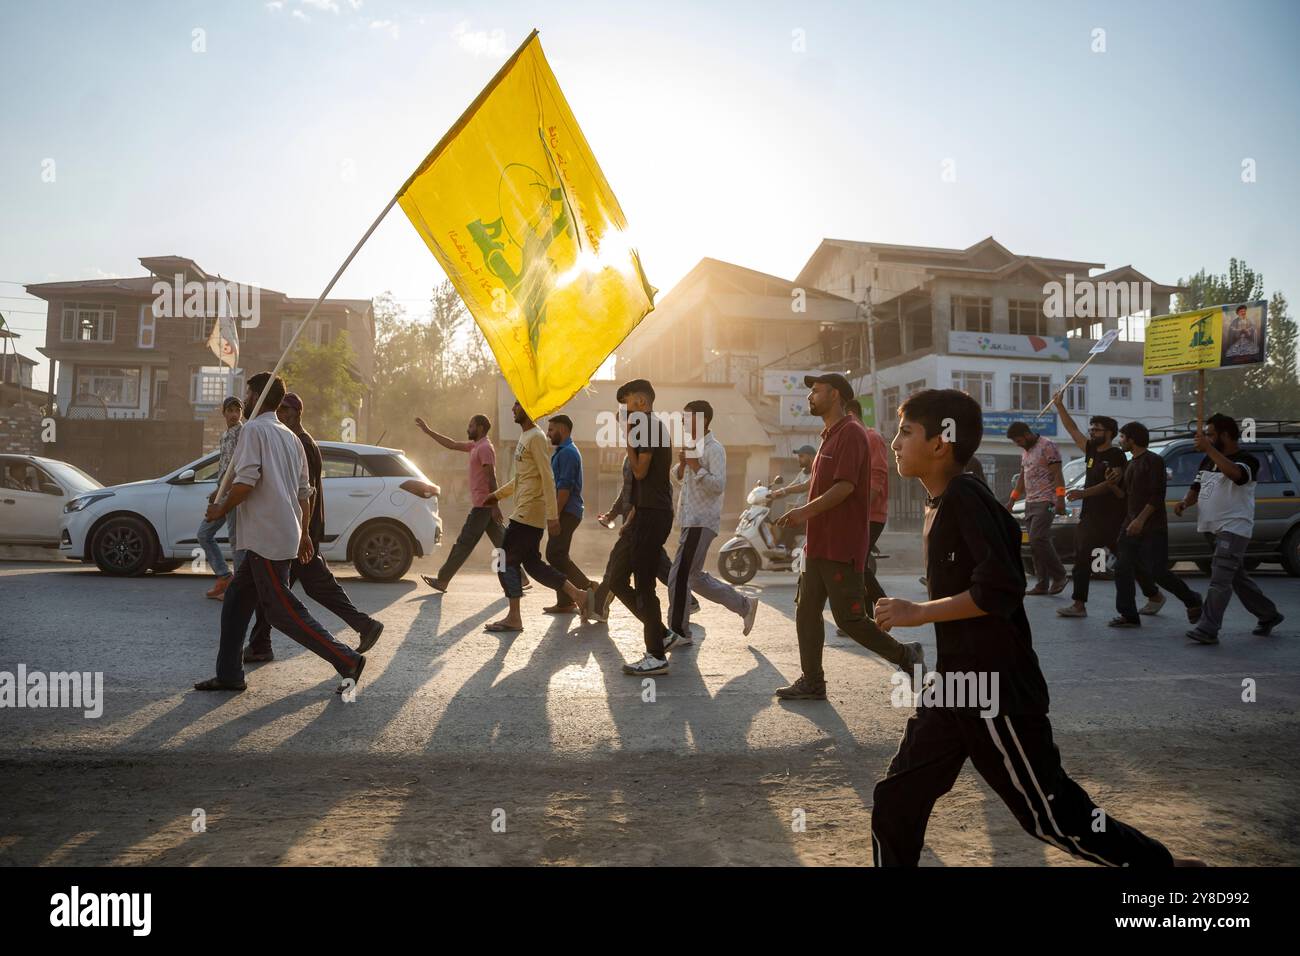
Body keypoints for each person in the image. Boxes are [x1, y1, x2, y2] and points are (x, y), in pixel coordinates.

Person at [871, 387, 1201, 867]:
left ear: (941, 440)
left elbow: (1000, 589)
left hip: (995, 688)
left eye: (904, 432)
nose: (894, 442)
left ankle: (1158, 869)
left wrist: (917, 612)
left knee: (1049, 813)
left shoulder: (964, 496)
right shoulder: (943, 500)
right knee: (896, 801)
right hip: (954, 687)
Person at [193, 372, 365, 694]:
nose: (243, 401)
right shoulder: (290, 437)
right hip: (282, 534)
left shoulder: (254, 431)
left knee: (282, 612)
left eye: (247, 394)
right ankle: (230, 674)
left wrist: (221, 508)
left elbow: (246, 481)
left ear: (257, 396)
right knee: (234, 603)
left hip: (266, 538)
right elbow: (305, 493)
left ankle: (347, 660)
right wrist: (303, 534)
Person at [773, 373, 925, 700]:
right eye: (810, 392)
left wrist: (802, 513)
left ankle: (905, 655)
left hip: (841, 544)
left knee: (850, 619)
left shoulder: (852, 434)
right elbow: (821, 485)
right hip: (818, 544)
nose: (810, 397)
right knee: (806, 610)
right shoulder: (829, 434)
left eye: (816, 391)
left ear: (836, 395)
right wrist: (793, 499)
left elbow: (845, 488)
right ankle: (812, 681)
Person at [242, 392, 385, 663]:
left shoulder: (301, 443)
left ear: (297, 413)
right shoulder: (297, 440)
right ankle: (261, 642)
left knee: (282, 592)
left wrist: (304, 532)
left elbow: (305, 491)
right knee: (288, 589)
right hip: (299, 529)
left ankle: (263, 644)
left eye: (285, 409)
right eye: (279, 408)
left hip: (299, 529)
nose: (280, 413)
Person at [482, 399, 593, 632]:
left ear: (529, 408)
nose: (513, 409)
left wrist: (552, 516)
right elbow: (522, 478)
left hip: (528, 512)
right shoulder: (525, 437)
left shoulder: (537, 438)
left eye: (517, 405)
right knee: (533, 564)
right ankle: (579, 595)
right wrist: (497, 495)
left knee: (503, 559)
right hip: (524, 510)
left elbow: (548, 478)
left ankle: (514, 617)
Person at [1051, 393, 1164, 619]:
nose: (1092, 432)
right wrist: (1060, 405)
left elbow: (1108, 485)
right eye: (1091, 429)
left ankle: (1154, 595)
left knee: (1128, 562)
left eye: (1097, 429)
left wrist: (1083, 492)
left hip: (1114, 517)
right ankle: (1079, 604)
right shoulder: (1091, 451)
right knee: (1082, 557)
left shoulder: (1117, 455)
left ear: (1110, 433)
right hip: (1090, 516)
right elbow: (1073, 430)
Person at [1176, 413, 1283, 644]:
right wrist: (1185, 502)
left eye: (1210, 434)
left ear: (1225, 435)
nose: (1206, 438)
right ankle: (1268, 614)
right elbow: (1196, 487)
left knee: (1219, 578)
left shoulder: (1248, 459)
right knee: (1236, 578)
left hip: (1233, 527)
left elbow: (1237, 475)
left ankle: (1208, 628)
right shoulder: (1207, 460)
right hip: (1211, 528)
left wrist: (1208, 449)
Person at [665, 399, 759, 644]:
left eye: (688, 417)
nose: (684, 422)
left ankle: (679, 631)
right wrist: (684, 465)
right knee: (694, 577)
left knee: (679, 576)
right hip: (689, 520)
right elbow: (678, 480)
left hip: (700, 520)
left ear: (703, 420)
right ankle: (745, 606)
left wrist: (696, 467)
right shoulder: (692, 446)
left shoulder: (714, 449)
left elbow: (718, 486)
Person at [608, 379, 677, 676]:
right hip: (643, 515)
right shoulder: (646, 426)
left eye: (628, 404)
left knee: (645, 584)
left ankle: (656, 655)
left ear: (642, 403)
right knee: (616, 579)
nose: (625, 410)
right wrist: (630, 521)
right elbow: (641, 485)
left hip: (654, 515)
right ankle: (660, 633)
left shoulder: (646, 426)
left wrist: (626, 437)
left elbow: (639, 470)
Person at [416, 414, 527, 593]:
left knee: (463, 544)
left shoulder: (484, 448)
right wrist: (428, 431)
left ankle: (443, 580)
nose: (468, 429)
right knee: (503, 544)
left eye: (471, 426)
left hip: (483, 507)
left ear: (480, 428)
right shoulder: (476, 446)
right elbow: (451, 444)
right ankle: (520, 578)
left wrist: (495, 505)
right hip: (485, 507)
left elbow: (491, 477)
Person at [1109, 421, 1203, 629]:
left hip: (1152, 527)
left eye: (1123, 437)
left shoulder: (1153, 461)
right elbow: (1125, 496)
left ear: (1132, 439)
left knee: (1158, 572)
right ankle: (1129, 615)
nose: (1120, 441)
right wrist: (1112, 485)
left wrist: (1140, 520)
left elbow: (1157, 494)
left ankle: (1192, 600)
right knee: (1122, 567)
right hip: (1130, 526)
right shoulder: (1130, 463)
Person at [589, 440, 684, 622]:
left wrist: (629, 521)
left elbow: (642, 493)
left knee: (623, 570)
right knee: (653, 567)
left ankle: (601, 608)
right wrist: (613, 513)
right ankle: (683, 603)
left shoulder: (646, 460)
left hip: (640, 523)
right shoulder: (631, 456)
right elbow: (628, 491)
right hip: (634, 523)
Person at [1006, 421, 1068, 595]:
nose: (1018, 444)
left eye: (1018, 440)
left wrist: (1061, 499)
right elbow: (1021, 479)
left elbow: (1057, 474)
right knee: (1035, 543)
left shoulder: (1048, 446)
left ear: (1027, 434)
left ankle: (1060, 575)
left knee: (1038, 538)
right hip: (1030, 502)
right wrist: (1012, 500)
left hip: (1047, 501)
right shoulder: (1025, 452)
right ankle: (1042, 584)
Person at [541, 414, 594, 613]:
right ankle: (565, 601)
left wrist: (555, 516)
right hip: (565, 511)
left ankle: (589, 588)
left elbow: (564, 488)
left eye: (551, 429)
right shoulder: (562, 452)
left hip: (567, 511)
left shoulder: (568, 453)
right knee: (557, 554)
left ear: (562, 430)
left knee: (554, 554)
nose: (548, 433)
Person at [197, 396, 244, 600]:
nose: (234, 414)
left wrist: (224, 489)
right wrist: (218, 489)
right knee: (204, 534)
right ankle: (225, 576)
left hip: (234, 493)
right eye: (230, 410)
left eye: (237, 410)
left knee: (236, 541)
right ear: (223, 412)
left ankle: (239, 589)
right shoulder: (225, 436)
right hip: (222, 492)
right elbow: (224, 466)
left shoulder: (242, 433)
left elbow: (239, 466)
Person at [770, 444, 816, 551]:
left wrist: (784, 490)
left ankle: (785, 550)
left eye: (801, 456)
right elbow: (790, 488)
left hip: (808, 511)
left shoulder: (816, 472)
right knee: (775, 523)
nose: (798, 459)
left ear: (811, 457)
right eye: (798, 456)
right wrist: (772, 494)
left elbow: (803, 487)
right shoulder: (803, 473)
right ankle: (782, 548)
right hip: (800, 510)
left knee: (788, 524)